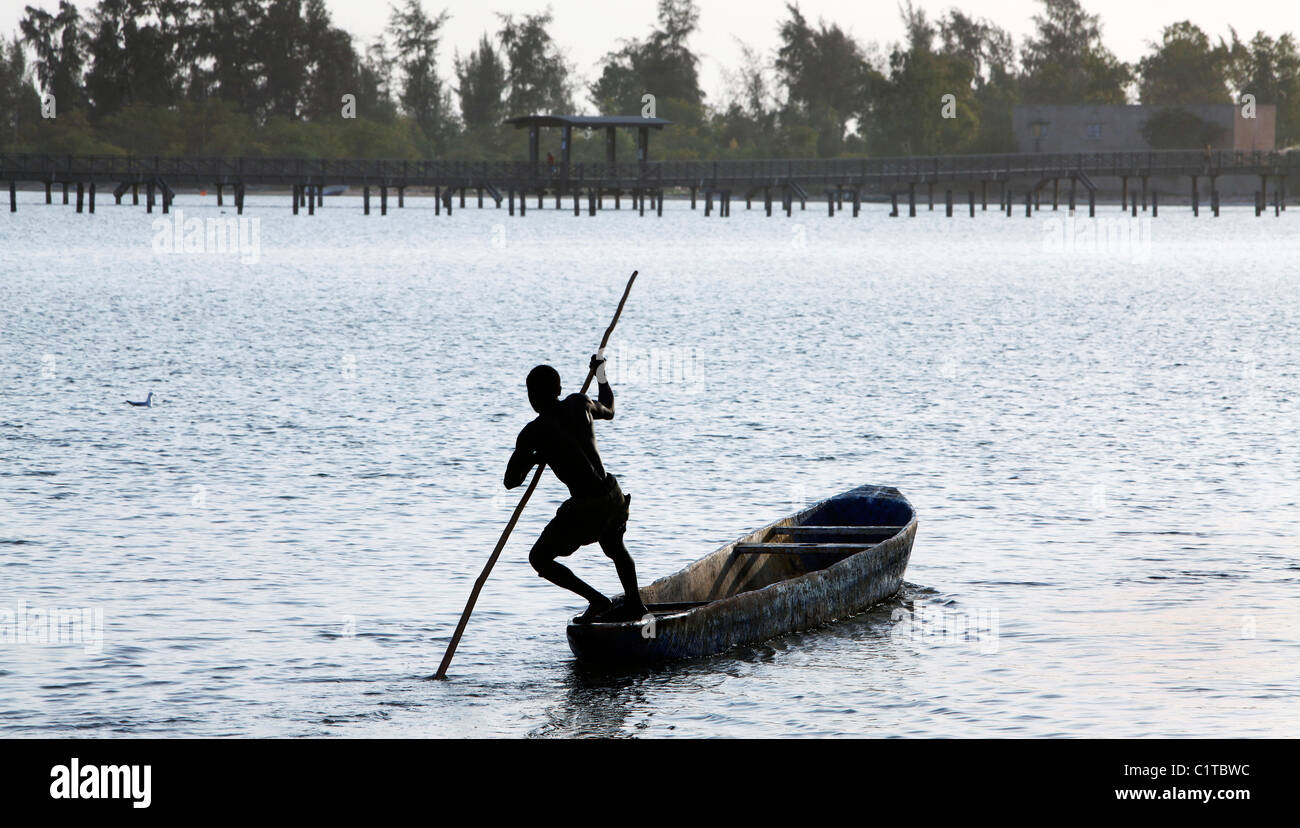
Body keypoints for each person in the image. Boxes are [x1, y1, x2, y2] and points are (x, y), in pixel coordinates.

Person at [505, 353, 649, 623]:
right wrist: (601, 375)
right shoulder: (579, 403)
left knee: (539, 558)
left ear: (534, 396)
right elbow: (609, 407)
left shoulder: (532, 432)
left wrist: (531, 456)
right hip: (611, 495)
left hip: (586, 507)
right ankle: (635, 604)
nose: (531, 398)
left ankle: (598, 601)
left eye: (532, 393)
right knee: (616, 548)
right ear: (558, 391)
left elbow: (511, 481)